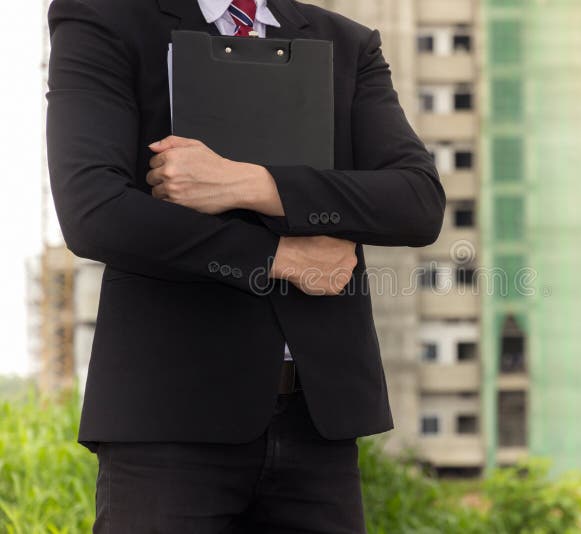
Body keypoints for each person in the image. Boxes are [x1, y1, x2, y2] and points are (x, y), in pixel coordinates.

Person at [45, 0, 445, 531]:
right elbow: (93, 211)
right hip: (167, 422)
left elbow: (417, 202)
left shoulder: (347, 43)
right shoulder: (104, 17)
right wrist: (278, 258)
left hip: (317, 427)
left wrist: (254, 184)